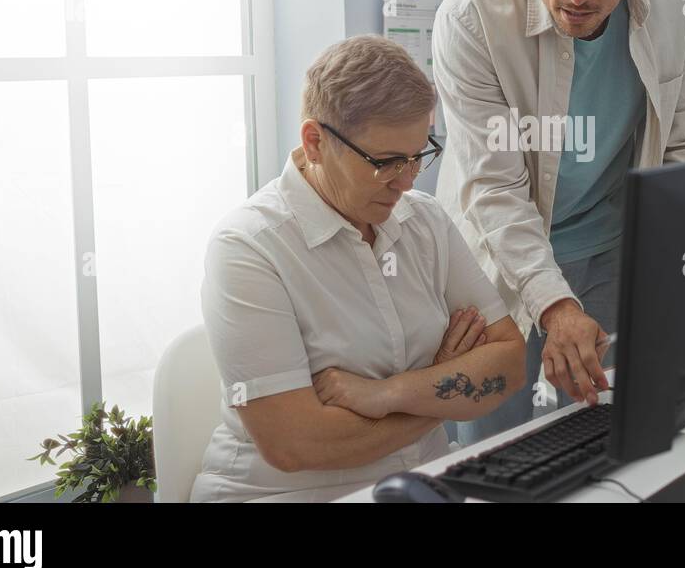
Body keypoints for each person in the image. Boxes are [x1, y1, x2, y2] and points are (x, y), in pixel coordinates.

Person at [433, 0, 685, 441]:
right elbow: (495, 190)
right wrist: (555, 307)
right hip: (498, 265)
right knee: (502, 454)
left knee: (610, 442)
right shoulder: (472, 17)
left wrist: (678, 273)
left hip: (616, 252)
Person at [191, 35, 525, 502]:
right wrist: (441, 390)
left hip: (420, 483)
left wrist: (388, 393)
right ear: (315, 142)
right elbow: (294, 445)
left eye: (418, 156)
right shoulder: (247, 248)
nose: (408, 182)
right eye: (387, 163)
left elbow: (509, 364)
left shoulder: (424, 219)